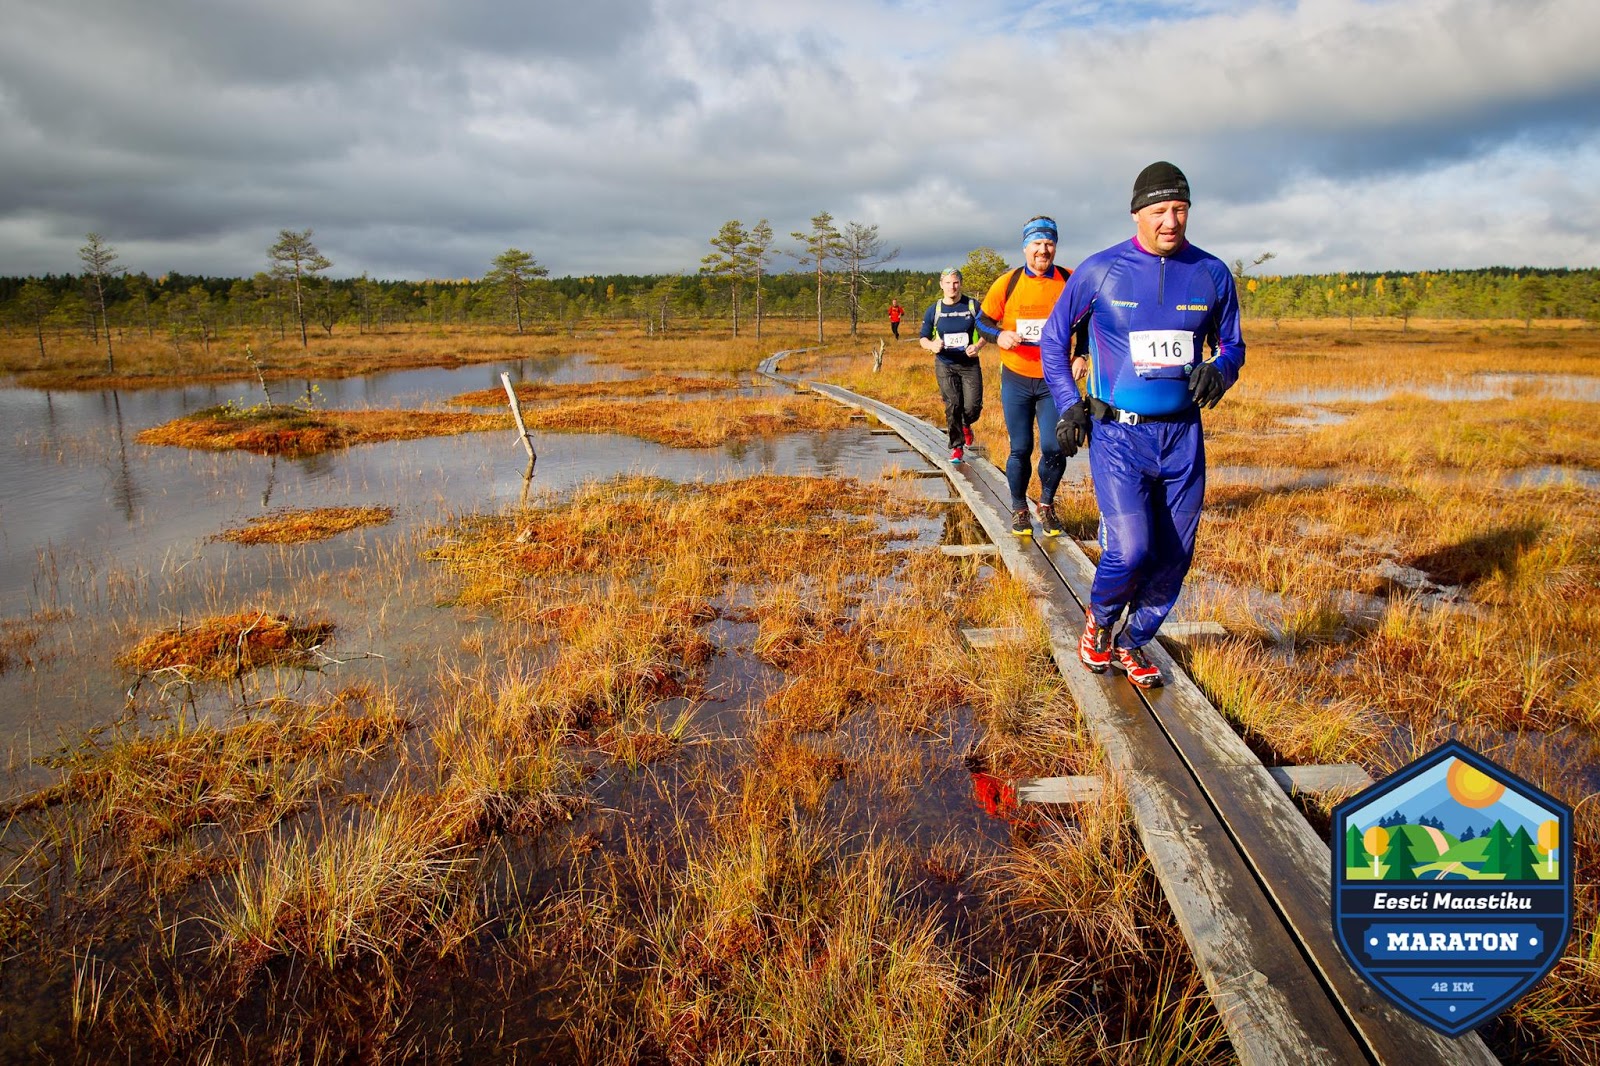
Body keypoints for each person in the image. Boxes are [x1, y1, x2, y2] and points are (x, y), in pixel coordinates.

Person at [1040, 161, 1245, 688]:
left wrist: (1219, 370)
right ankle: (1100, 623)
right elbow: (1054, 340)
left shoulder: (1211, 273)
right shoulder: (1100, 271)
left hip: (1182, 436)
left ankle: (1133, 642)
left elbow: (1232, 346)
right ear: (1137, 214)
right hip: (1119, 436)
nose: (1170, 221)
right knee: (1130, 549)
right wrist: (1069, 404)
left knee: (1174, 556)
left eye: (1180, 209)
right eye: (1159, 211)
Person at [976, 216, 1083, 537]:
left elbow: (1087, 321)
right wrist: (999, 335)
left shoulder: (1069, 280)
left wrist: (1082, 354)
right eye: (1037, 243)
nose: (1043, 250)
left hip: (1055, 380)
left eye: (1049, 243)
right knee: (1020, 447)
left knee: (1055, 446)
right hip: (1017, 378)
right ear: (1025, 247)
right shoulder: (1007, 283)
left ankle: (1046, 505)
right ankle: (1019, 507)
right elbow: (981, 321)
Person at [918, 268, 985, 463]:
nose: (952, 287)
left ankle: (965, 424)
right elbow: (923, 338)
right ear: (941, 285)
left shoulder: (972, 306)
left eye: (955, 282)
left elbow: (986, 331)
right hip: (945, 364)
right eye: (947, 283)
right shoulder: (934, 310)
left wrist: (977, 346)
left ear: (960, 284)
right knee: (952, 405)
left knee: (973, 407)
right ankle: (956, 447)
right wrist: (932, 345)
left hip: (969, 364)